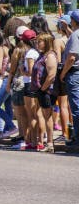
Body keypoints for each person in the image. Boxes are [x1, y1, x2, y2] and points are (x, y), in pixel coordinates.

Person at [31, 32, 57, 152]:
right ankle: (46, 142)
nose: (37, 43)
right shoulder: (42, 55)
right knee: (43, 115)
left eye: (40, 41)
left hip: (46, 91)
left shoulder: (50, 56)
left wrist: (43, 89)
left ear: (46, 42)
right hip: (40, 90)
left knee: (48, 117)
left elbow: (51, 75)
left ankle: (50, 143)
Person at [59, 10, 79, 147]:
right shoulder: (75, 35)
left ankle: (77, 139)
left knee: (76, 107)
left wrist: (63, 73)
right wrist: (67, 29)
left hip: (74, 73)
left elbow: (71, 57)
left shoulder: (75, 35)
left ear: (73, 21)